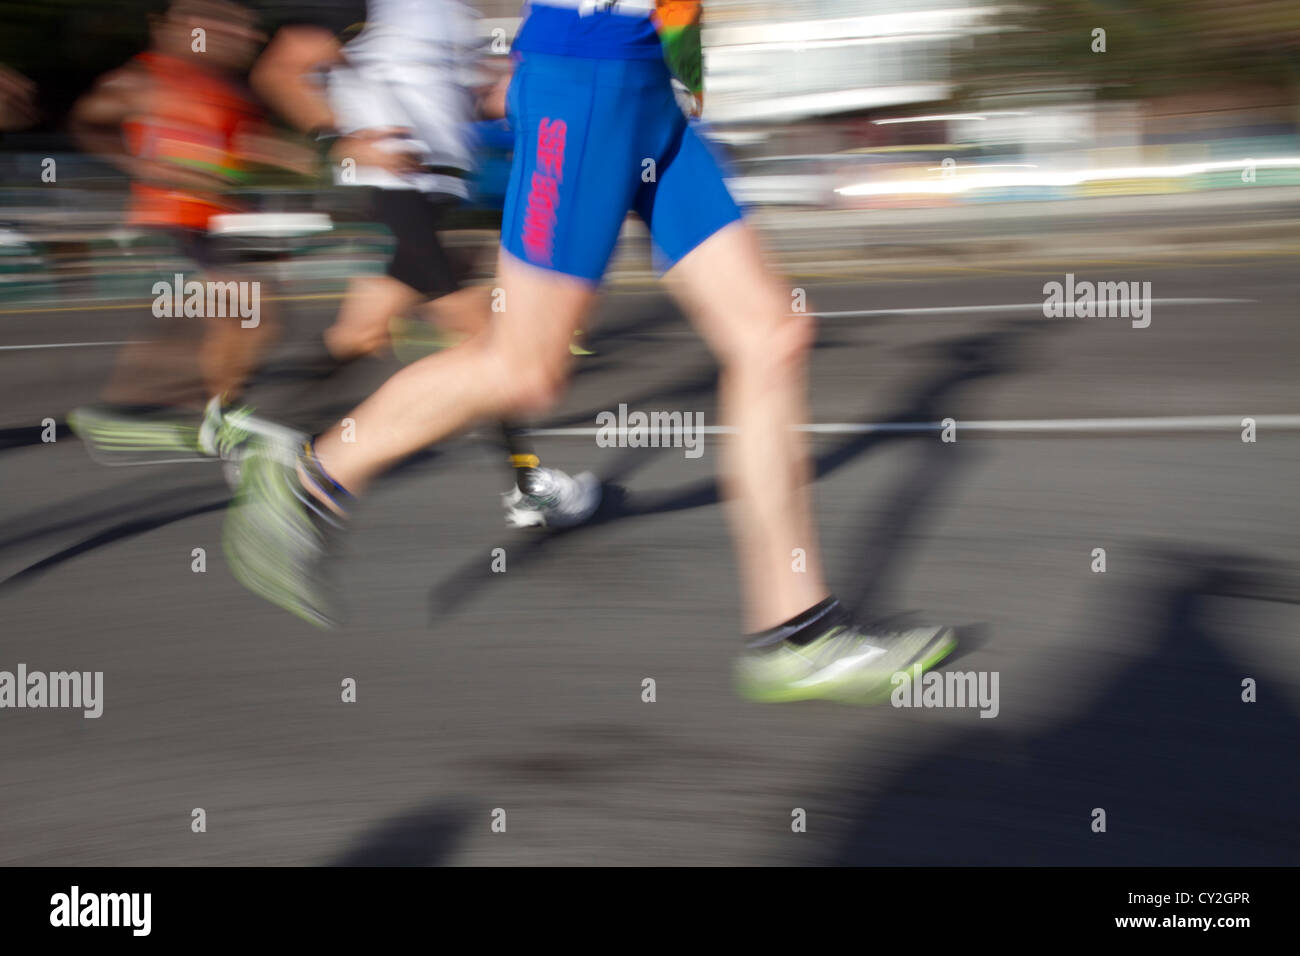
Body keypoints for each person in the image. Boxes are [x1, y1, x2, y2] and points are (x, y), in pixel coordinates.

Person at [225, 0, 956, 703]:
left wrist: (687, 65)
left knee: (772, 333)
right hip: (589, 74)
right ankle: (307, 478)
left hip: (648, 83)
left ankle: (795, 636)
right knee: (525, 368)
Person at [250, 0, 599, 526]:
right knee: (490, 340)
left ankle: (254, 435)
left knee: (360, 335)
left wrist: (557, 94)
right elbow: (279, 71)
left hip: (434, 194)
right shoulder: (365, 4)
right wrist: (339, 139)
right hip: (393, 189)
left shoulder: (458, 14)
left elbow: (475, 99)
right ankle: (527, 487)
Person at [66, 0, 310, 465]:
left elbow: (239, 147)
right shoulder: (143, 79)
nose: (230, 34)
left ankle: (212, 416)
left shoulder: (227, 91)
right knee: (251, 312)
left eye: (237, 25)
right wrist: (146, 166)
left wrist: (282, 152)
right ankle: (186, 418)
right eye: (211, 22)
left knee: (247, 322)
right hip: (167, 222)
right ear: (169, 26)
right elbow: (88, 124)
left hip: (214, 227)